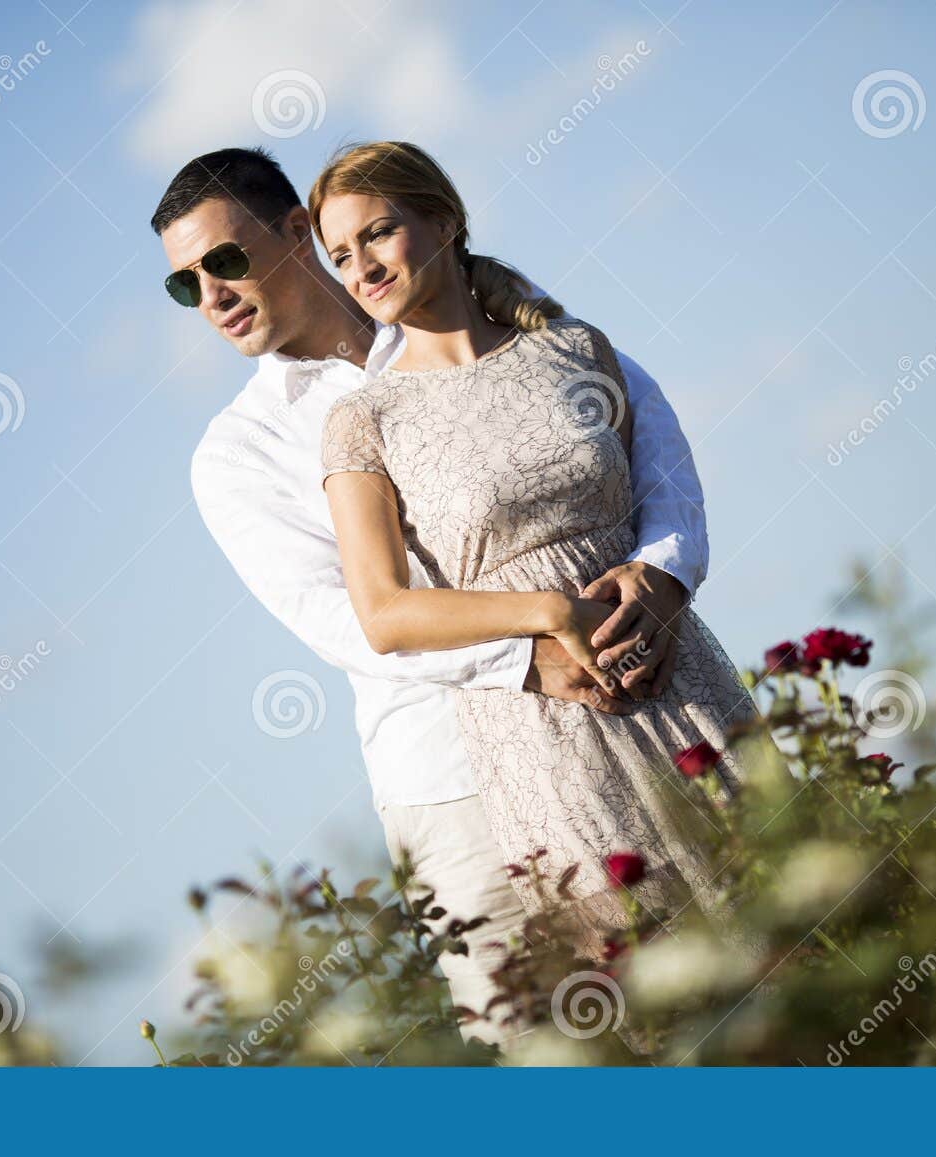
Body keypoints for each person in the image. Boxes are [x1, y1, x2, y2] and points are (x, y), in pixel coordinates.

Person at [153, 147, 710, 1044]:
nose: (212, 297)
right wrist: (525, 653)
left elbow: (651, 445)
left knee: (728, 992)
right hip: (449, 785)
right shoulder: (237, 452)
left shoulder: (486, 324)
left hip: (629, 708)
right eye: (185, 285)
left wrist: (666, 570)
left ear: (298, 231)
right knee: (549, 1057)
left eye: (223, 261)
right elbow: (340, 618)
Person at [311, 141, 768, 963]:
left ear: (444, 219)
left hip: (677, 677)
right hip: (546, 731)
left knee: (803, 926)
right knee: (659, 990)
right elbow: (383, 612)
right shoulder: (363, 420)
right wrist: (551, 613)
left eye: (377, 233)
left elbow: (663, 495)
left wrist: (659, 586)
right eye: (340, 255)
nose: (361, 266)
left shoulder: (576, 348)